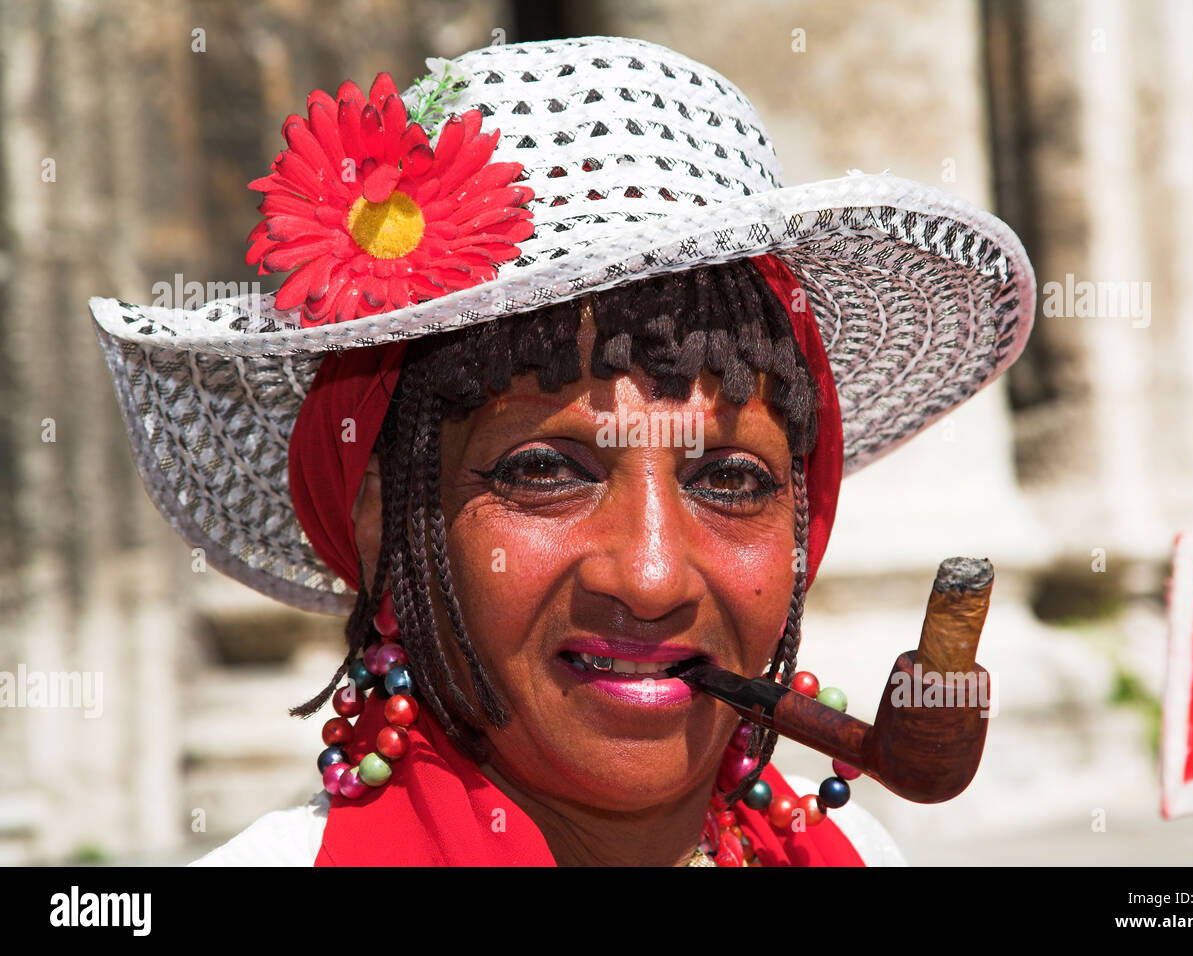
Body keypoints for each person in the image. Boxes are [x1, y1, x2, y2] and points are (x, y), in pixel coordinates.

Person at [89, 35, 1034, 866]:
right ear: (382, 520)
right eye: (547, 472)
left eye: (730, 480)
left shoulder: (857, 858)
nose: (655, 574)